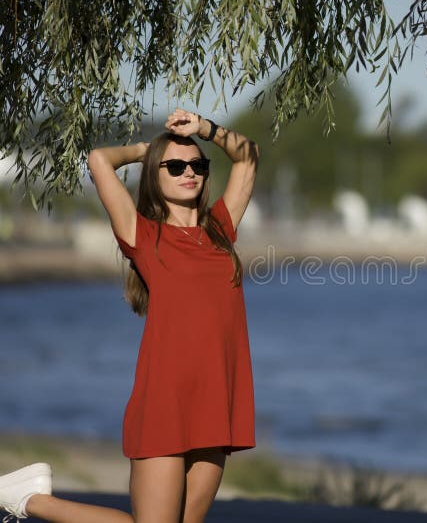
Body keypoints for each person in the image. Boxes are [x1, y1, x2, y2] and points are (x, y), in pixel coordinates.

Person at [0, 109, 260, 523]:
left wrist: (205, 130)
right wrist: (148, 149)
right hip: (165, 402)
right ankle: (32, 501)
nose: (188, 172)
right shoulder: (144, 236)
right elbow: (99, 160)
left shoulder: (220, 230)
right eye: (174, 166)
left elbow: (248, 156)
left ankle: (28, 496)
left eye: (197, 164)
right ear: (155, 175)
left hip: (216, 400)